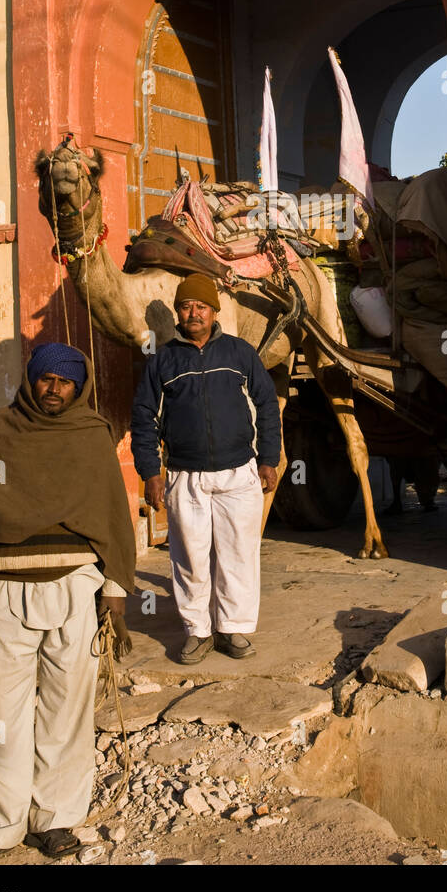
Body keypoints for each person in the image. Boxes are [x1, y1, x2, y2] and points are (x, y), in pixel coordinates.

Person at [0, 342, 136, 866]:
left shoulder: (90, 434)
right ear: (31, 380)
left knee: (65, 713)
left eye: (65, 380)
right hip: (7, 592)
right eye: (45, 379)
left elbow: (112, 518)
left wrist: (115, 596)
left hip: (77, 589)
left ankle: (54, 820)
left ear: (79, 386)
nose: (54, 388)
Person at [130, 274, 280, 665]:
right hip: (185, 475)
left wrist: (268, 458)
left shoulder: (239, 353)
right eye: (186, 306)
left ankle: (233, 629)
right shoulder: (162, 360)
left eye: (201, 306)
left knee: (238, 554)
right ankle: (197, 631)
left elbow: (267, 403)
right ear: (178, 313)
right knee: (190, 558)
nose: (194, 313)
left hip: (238, 472)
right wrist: (151, 472)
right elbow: (143, 416)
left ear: (214, 311)